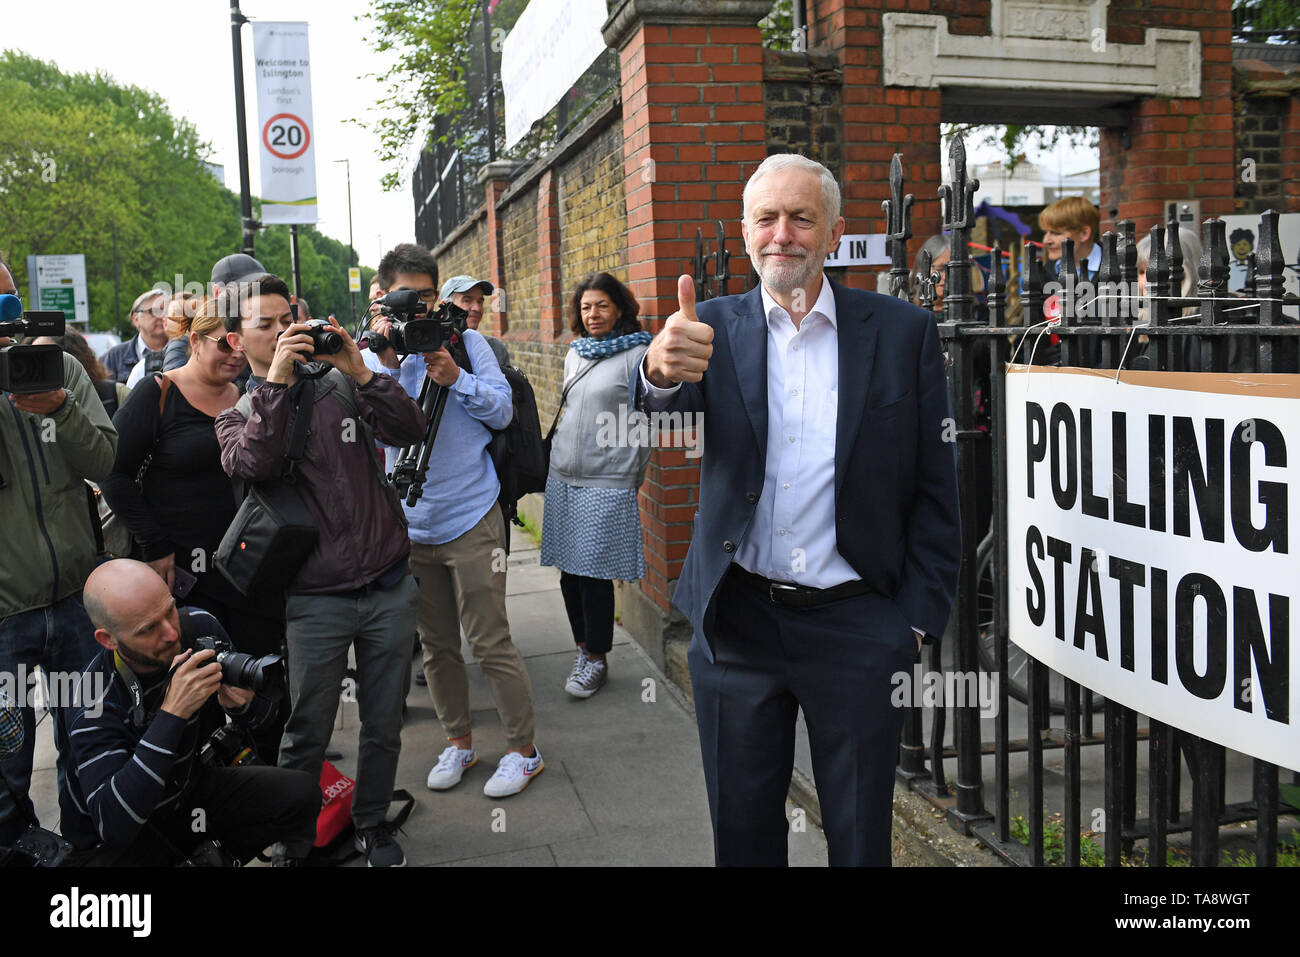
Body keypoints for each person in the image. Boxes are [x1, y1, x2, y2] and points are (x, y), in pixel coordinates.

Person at [635, 154, 961, 866]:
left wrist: (909, 620)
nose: (782, 234)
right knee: (744, 836)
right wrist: (656, 373)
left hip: (859, 623)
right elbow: (660, 426)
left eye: (801, 217)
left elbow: (939, 487)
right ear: (747, 232)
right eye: (766, 218)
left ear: (835, 232)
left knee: (858, 835)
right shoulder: (707, 329)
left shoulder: (901, 332)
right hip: (740, 623)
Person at [216, 273, 426, 866]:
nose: (285, 331)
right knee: (307, 727)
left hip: (387, 580)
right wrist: (278, 379)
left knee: (384, 722)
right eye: (267, 325)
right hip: (314, 596)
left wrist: (361, 369)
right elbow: (255, 462)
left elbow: (408, 428)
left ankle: (372, 823)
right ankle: (295, 837)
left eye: (289, 318)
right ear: (237, 341)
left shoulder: (340, 380)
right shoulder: (237, 412)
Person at [365, 244, 543, 799]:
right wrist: (382, 367)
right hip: (413, 523)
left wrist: (455, 377)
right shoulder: (375, 355)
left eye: (428, 295)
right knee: (437, 645)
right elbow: (366, 433)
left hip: (471, 515)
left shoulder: (466, 343)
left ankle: (523, 751)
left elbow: (502, 410)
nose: (422, 307)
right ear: (384, 297)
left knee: (490, 642)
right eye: (409, 297)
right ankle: (459, 741)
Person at [99, 297, 290, 763]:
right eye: (223, 344)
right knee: (200, 692)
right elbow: (113, 473)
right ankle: (203, 796)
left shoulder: (251, 391)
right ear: (195, 340)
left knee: (261, 682)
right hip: (186, 577)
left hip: (250, 569)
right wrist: (156, 545)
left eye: (239, 344)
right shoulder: (158, 393)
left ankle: (271, 782)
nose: (235, 354)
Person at [59, 560, 319, 866]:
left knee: (301, 794)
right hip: (123, 840)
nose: (171, 633)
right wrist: (172, 712)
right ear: (108, 639)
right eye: (148, 629)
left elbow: (264, 721)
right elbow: (114, 824)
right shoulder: (91, 698)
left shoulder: (198, 627)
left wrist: (244, 707)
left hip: (186, 794)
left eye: (169, 610)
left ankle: (216, 857)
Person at [0, 257, 118, 847]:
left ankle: (87, 854)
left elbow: (104, 462)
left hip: (78, 599)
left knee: (89, 740)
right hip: (6, 613)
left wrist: (61, 409)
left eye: (9, 301)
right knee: (8, 758)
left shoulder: (62, 368)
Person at [540, 273, 652, 698]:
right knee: (569, 572)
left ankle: (598, 659)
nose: (593, 314)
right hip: (564, 473)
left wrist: (629, 473)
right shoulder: (576, 353)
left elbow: (650, 421)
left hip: (607, 478)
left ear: (619, 308)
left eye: (602, 305)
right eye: (586, 307)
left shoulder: (639, 353)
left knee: (594, 574)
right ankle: (583, 649)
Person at [35, 328, 131, 419]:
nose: (36, 366)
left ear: (73, 360)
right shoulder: (28, 405)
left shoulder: (117, 394)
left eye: (45, 358)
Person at [126, 292, 197, 387]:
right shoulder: (142, 368)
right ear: (165, 323)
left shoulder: (142, 368)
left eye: (191, 318)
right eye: (154, 311)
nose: (184, 324)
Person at [440, 274, 510, 369]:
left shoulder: (495, 348)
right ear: (445, 305)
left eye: (480, 301)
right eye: (467, 300)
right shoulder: (430, 348)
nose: (477, 308)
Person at [103, 289, 167, 384]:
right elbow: (106, 395)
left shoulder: (186, 350)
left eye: (166, 310)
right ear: (136, 319)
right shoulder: (115, 356)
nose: (162, 316)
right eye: (154, 311)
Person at [1039, 196, 1102, 279]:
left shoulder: (1121, 267)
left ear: (1084, 233)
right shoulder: (1044, 274)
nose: (1046, 240)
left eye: (1056, 233)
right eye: (1046, 232)